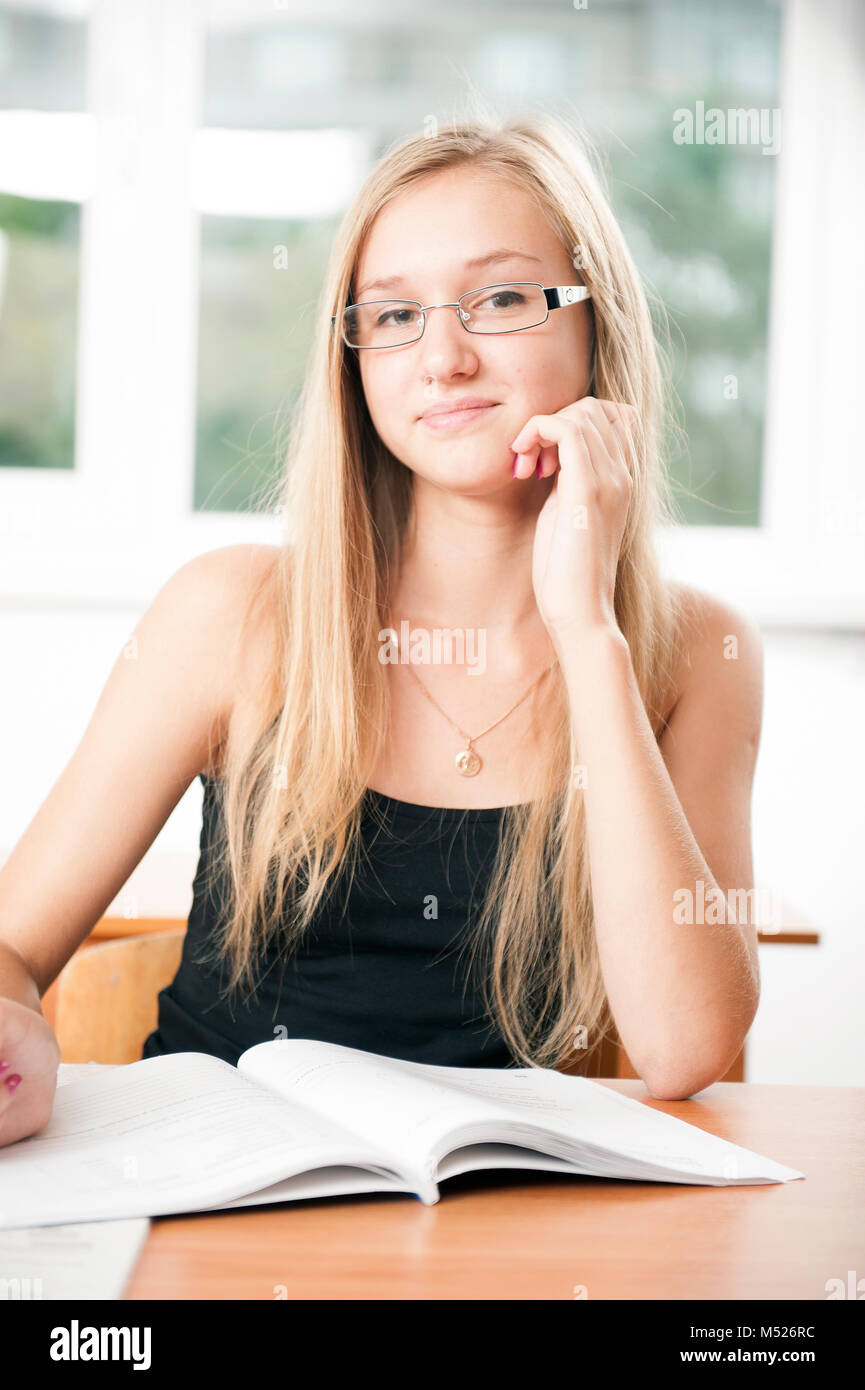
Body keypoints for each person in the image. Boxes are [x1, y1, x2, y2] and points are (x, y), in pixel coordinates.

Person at [0, 110, 763, 1149]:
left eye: (498, 298)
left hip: (496, 1226)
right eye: (393, 315)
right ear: (353, 362)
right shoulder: (233, 614)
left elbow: (683, 1048)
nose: (441, 357)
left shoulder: (691, 652)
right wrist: (14, 1032)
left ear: (597, 323)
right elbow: (9, 948)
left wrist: (589, 635)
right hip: (206, 1195)